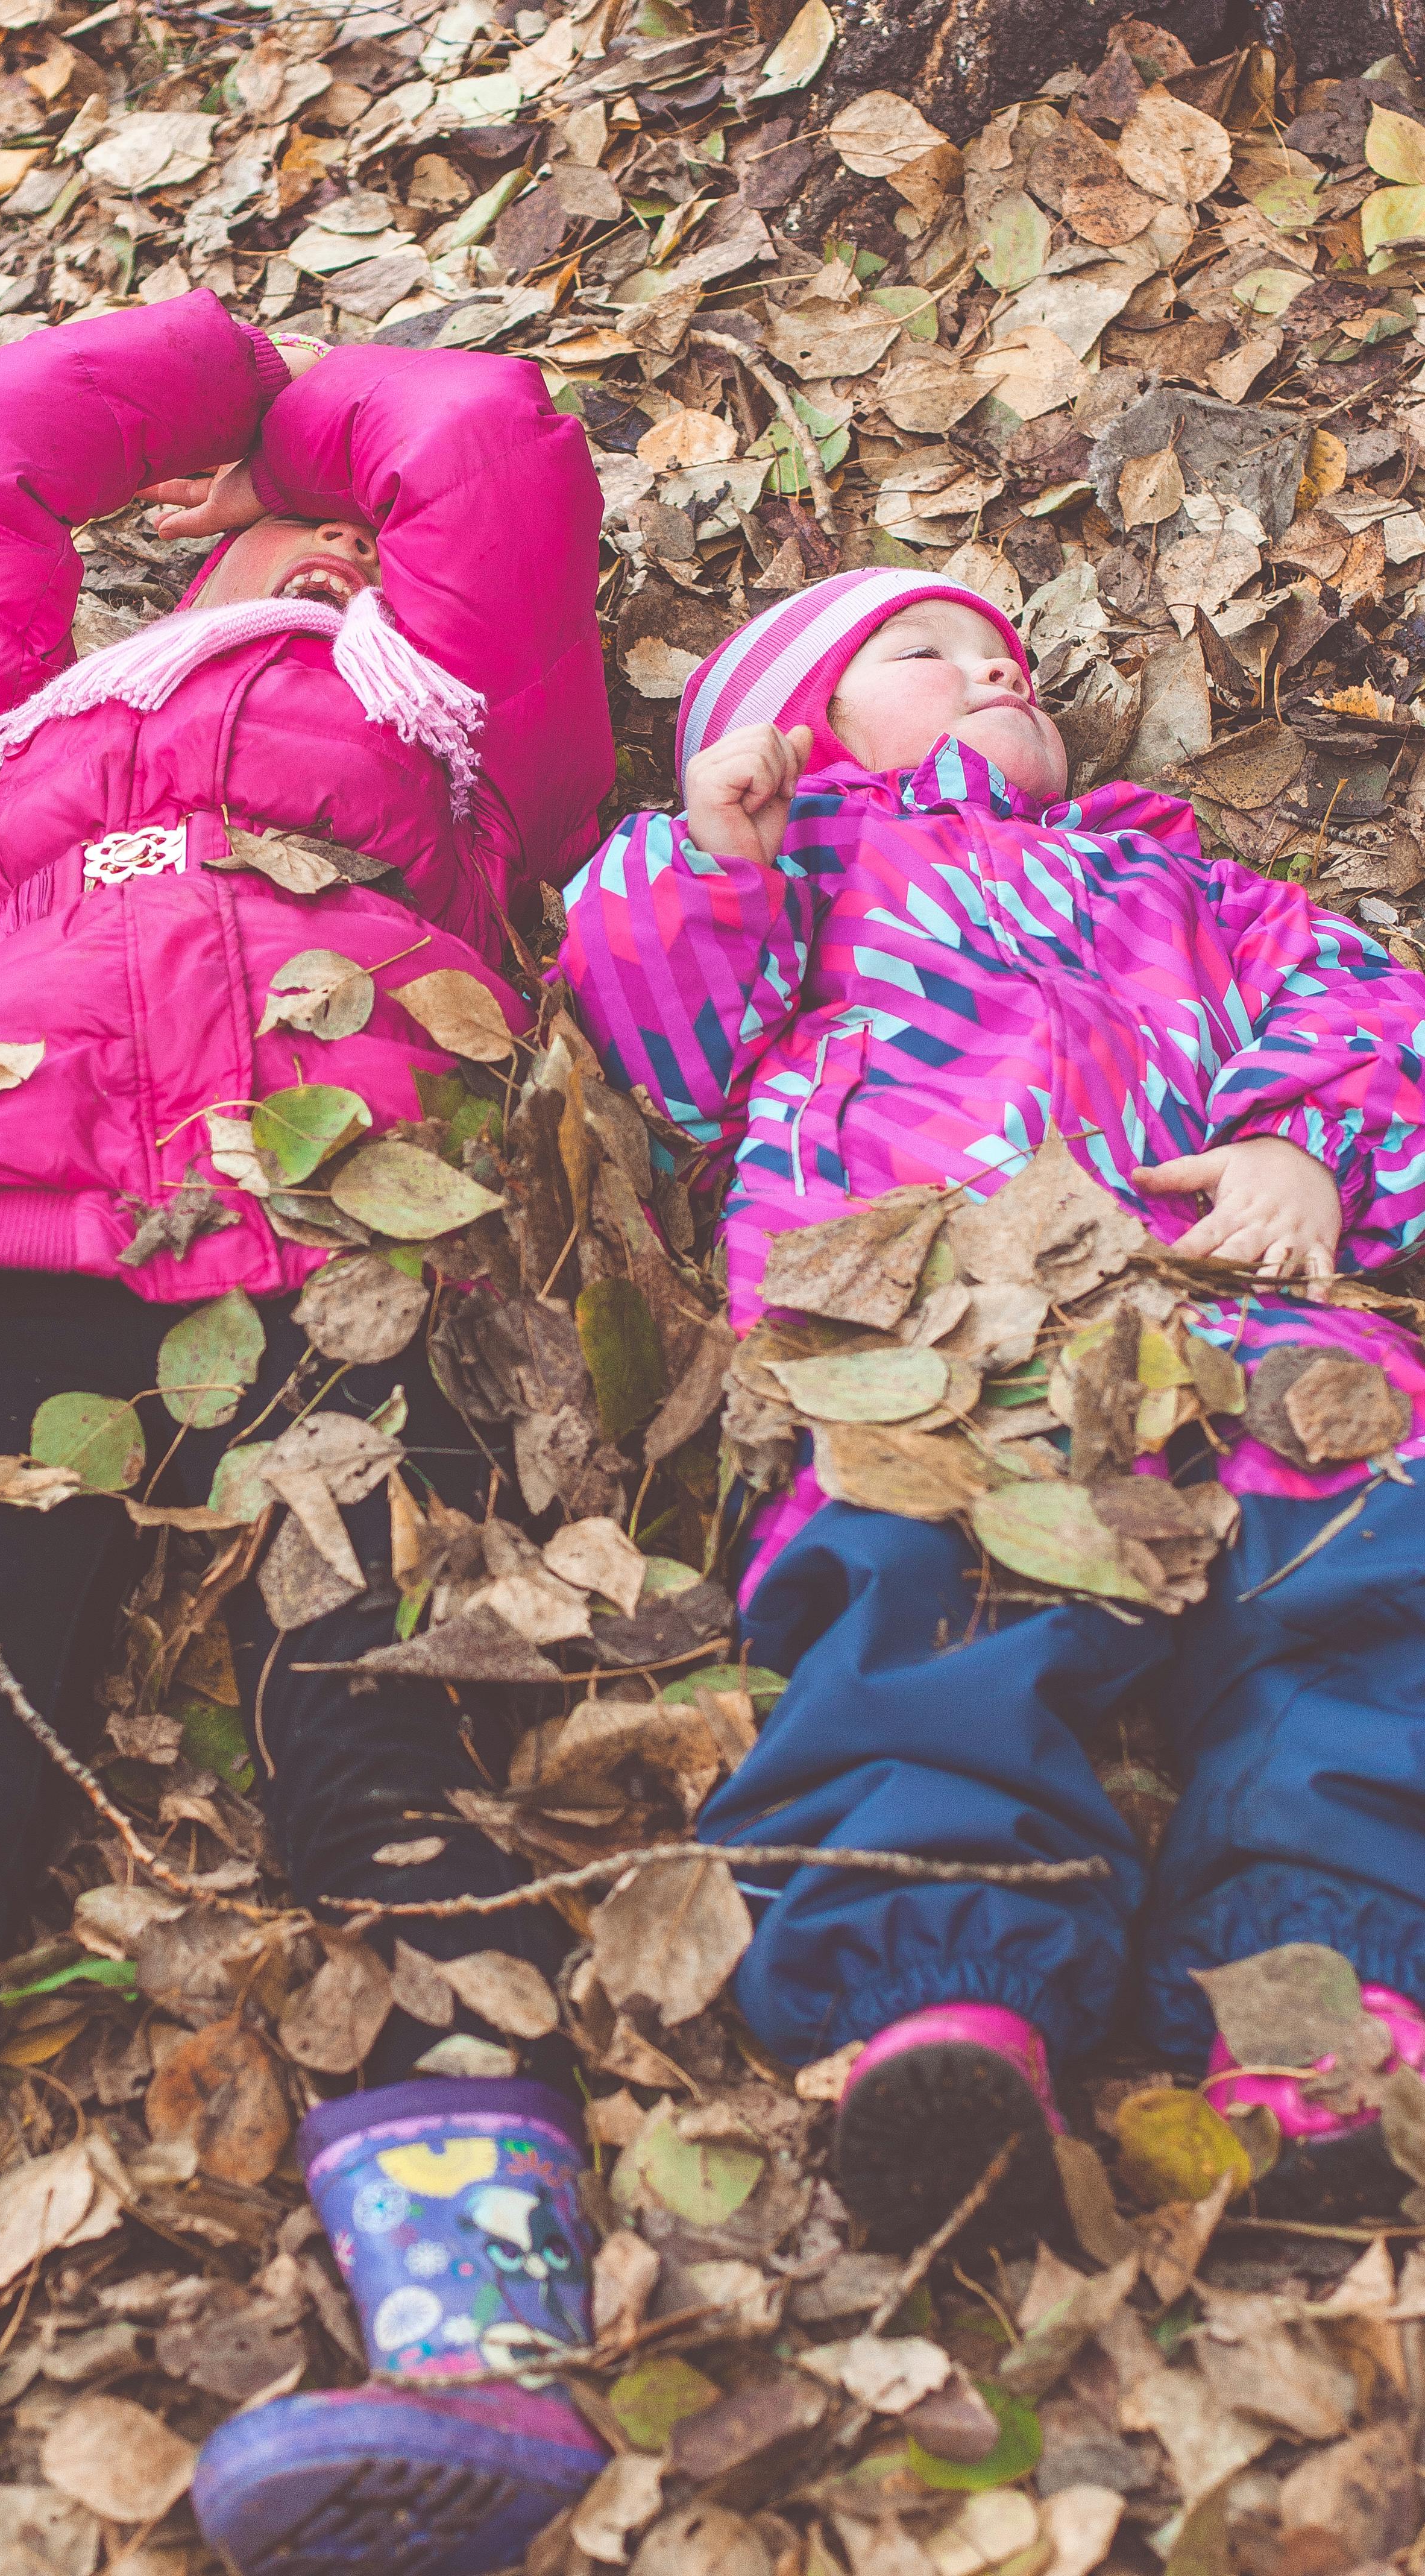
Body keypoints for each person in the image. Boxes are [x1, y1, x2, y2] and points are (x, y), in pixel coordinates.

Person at [0, 295, 613, 2576]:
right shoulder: (0, 768)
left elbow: (485, 437)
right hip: (0, 1235)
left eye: (350, 541)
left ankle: (482, 2369)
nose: (318, 557)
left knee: (382, 1735)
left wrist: (297, 452)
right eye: (264, 540)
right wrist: (211, 414)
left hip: (350, 1220)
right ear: (166, 561)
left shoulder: (464, 755)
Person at [559, 566, 1425, 2249]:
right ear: (793, 726)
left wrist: (1303, 1151)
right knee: (921, 1603)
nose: (987, 669)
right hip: (937, 1318)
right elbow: (665, 1068)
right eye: (923, 652)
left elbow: (1366, 1009)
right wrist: (714, 854)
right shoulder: (801, 865)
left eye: (1003, 652)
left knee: (1363, 1603)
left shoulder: (1183, 878)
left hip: (1238, 1301)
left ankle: (1327, 2012)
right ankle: (942, 1993)